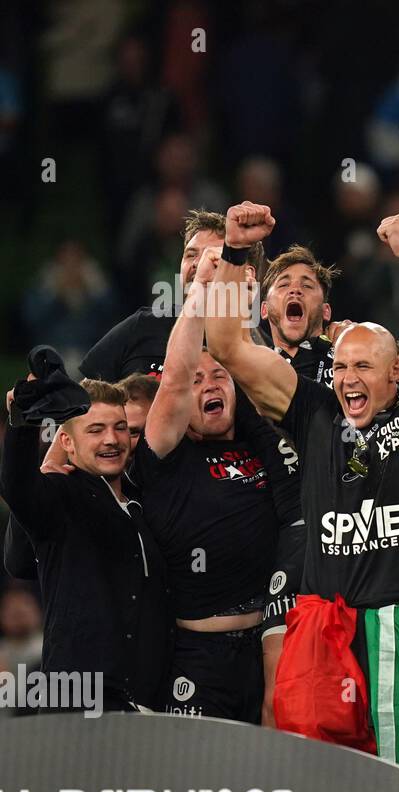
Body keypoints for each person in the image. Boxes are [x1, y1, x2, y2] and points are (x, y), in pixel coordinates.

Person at [205, 201, 399, 789]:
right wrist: (231, 251)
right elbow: (225, 343)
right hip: (320, 632)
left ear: (396, 373)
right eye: (343, 365)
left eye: (365, 366)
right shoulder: (313, 412)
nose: (349, 376)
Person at [128, 245, 279, 722]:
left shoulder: (262, 444)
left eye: (220, 376)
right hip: (198, 658)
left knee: (270, 781)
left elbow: (255, 362)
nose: (210, 383)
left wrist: (239, 289)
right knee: (199, 786)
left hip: (270, 648)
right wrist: (198, 293)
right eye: (199, 380)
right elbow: (172, 379)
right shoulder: (166, 455)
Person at [1, 372, 168, 711]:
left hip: (145, 703)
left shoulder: (142, 505)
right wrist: (23, 418)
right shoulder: (61, 494)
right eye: (95, 430)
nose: (112, 439)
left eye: (120, 427)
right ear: (67, 443)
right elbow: (18, 487)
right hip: (80, 703)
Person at [80, 209, 263, 381]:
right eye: (190, 255)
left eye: (213, 256)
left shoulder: (261, 349)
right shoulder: (142, 327)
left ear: (246, 273)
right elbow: (83, 398)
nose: (198, 264)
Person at [259, 245, 340, 385]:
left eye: (307, 286)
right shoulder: (253, 370)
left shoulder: (345, 357)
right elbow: (222, 344)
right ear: (264, 309)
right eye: (284, 285)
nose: (295, 290)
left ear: (325, 311)